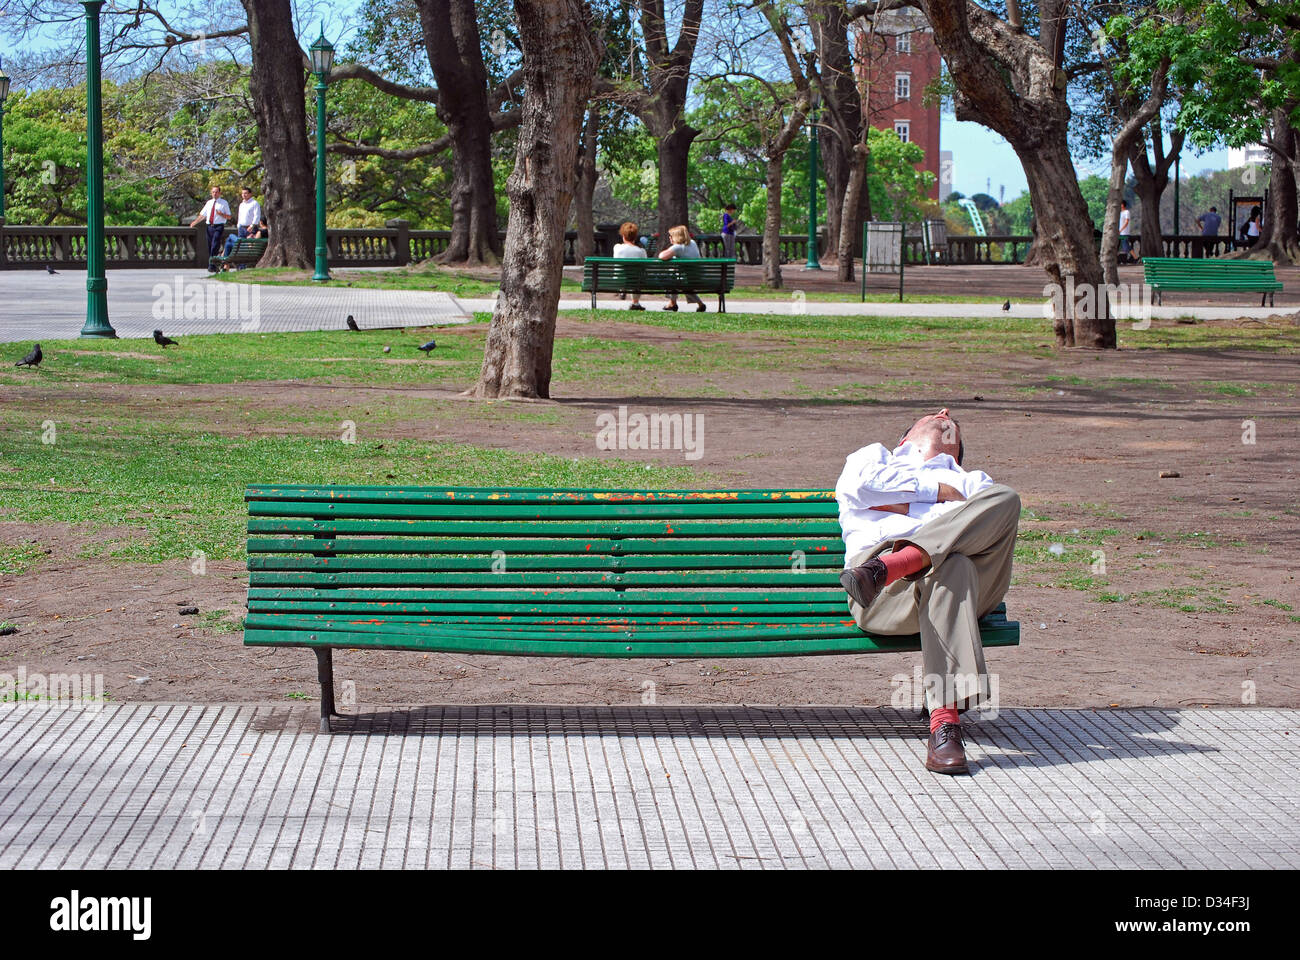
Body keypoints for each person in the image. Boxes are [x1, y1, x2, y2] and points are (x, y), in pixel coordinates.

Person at [835, 409, 1020, 776]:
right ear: (906, 438)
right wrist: (938, 494)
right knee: (952, 563)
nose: (945, 413)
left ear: (957, 451)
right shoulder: (873, 457)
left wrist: (901, 502)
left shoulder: (975, 481)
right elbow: (860, 488)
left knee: (1005, 501)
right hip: (883, 599)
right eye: (935, 414)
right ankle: (945, 723)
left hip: (958, 589)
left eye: (951, 418)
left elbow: (991, 522)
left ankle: (894, 564)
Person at [657, 224, 706, 312]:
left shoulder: (678, 247)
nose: (669, 238)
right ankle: (700, 304)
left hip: (686, 280)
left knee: (670, 279)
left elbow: (661, 256)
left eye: (671, 236)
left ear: (676, 237)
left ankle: (672, 303)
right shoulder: (693, 243)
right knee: (678, 280)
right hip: (696, 278)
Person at [190, 186, 232, 273]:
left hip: (218, 226)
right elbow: (203, 215)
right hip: (209, 227)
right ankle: (215, 263)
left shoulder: (224, 203)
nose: (214, 194)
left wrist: (221, 214)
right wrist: (195, 222)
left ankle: (211, 265)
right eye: (213, 192)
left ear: (220, 193)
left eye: (216, 192)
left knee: (214, 245)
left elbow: (229, 217)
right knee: (210, 246)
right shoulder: (209, 203)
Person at [613, 221, 648, 311]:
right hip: (636, 281)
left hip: (619, 280)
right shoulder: (641, 251)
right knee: (637, 276)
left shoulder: (617, 248)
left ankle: (622, 290)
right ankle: (635, 302)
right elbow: (644, 267)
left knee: (628, 274)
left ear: (623, 236)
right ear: (635, 237)